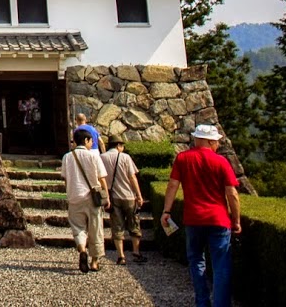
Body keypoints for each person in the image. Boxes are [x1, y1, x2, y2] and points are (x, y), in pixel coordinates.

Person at [162, 124, 242, 307]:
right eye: (217, 142)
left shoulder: (183, 158)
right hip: (219, 219)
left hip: (193, 219)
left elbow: (172, 185)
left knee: (196, 261)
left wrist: (166, 211)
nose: (218, 145)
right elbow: (232, 194)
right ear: (210, 141)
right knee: (221, 266)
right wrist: (236, 220)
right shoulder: (221, 161)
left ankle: (202, 302)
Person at [61, 127, 110, 272]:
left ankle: (82, 249)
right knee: (96, 229)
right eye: (91, 141)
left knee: (78, 228)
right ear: (86, 140)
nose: (92, 144)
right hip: (92, 198)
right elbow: (102, 178)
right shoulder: (93, 156)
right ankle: (95, 262)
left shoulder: (67, 157)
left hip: (74, 197)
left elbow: (65, 178)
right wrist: (106, 196)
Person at [101, 136, 147, 265]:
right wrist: (139, 195)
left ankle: (121, 256)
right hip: (128, 195)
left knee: (117, 227)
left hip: (113, 196)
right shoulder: (125, 157)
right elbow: (132, 177)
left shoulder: (102, 157)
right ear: (118, 145)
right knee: (134, 225)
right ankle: (136, 252)